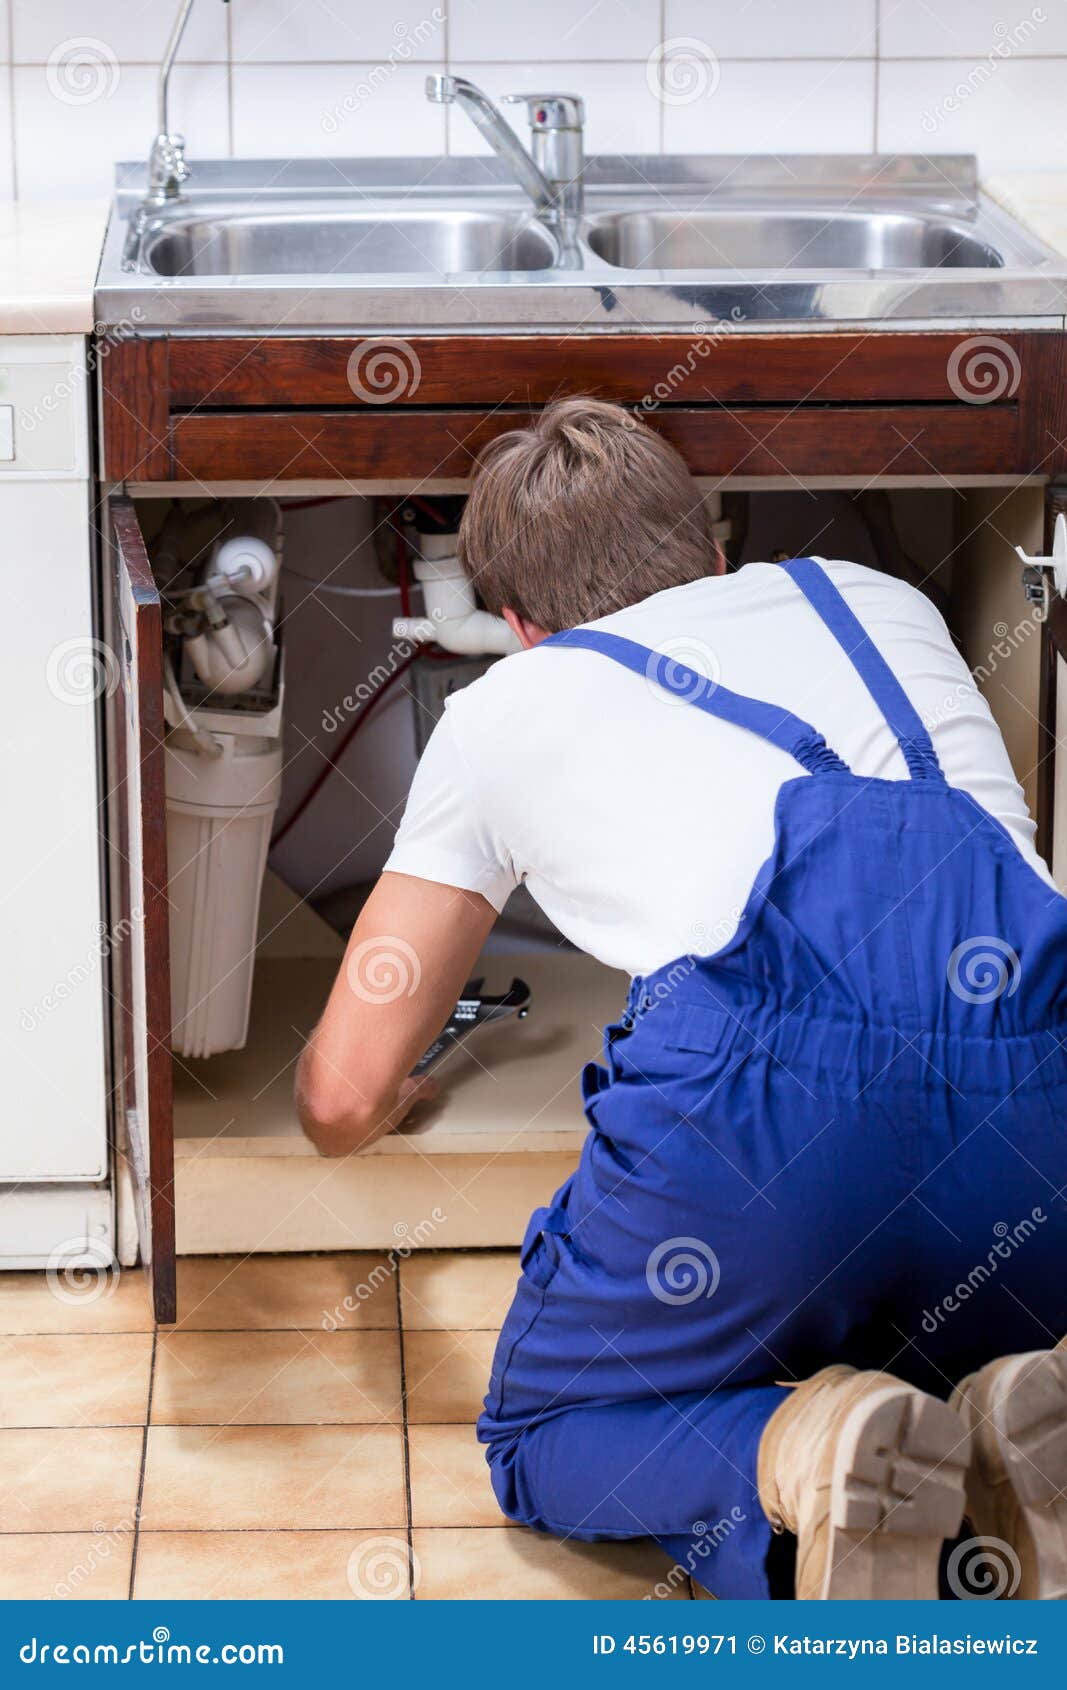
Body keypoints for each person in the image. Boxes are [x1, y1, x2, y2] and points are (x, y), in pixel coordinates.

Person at [296, 398, 1067, 1600]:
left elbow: (339, 1097)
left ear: (516, 626)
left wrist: (390, 1096)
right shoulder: (874, 597)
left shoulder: (499, 712)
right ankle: (995, 1408)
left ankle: (799, 1448)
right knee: (921, 1311)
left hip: (766, 1130)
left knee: (545, 1430)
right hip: (1034, 1096)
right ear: (712, 548)